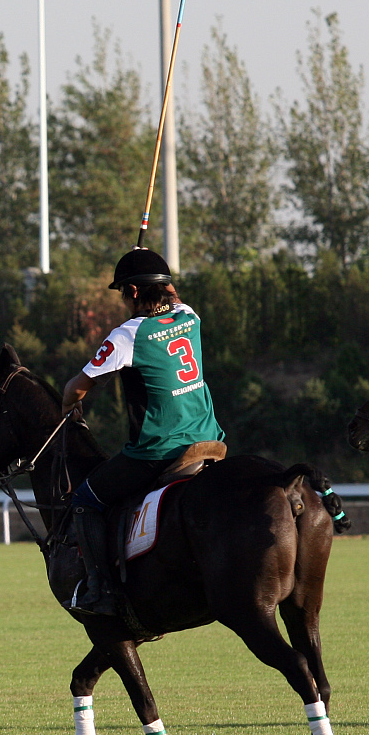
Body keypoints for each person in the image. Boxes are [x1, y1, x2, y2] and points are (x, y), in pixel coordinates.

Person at [58, 247, 226, 617]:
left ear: (133, 293)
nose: (121, 300)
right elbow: (171, 295)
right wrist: (150, 266)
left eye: (123, 292)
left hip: (159, 450)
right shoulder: (190, 316)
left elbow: (76, 388)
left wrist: (69, 405)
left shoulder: (128, 335)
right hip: (209, 440)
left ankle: (100, 590)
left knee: (85, 498)